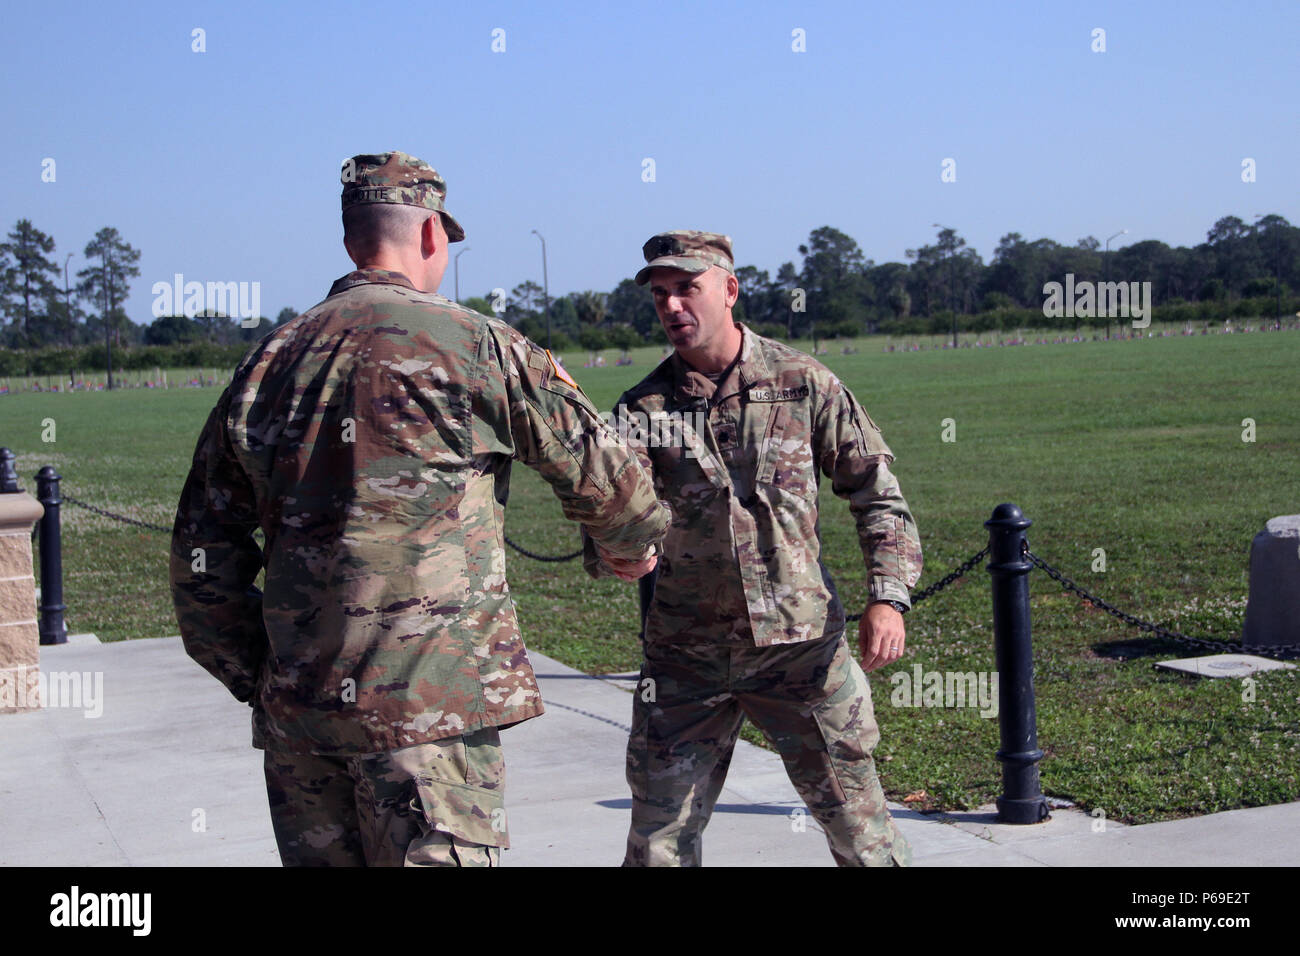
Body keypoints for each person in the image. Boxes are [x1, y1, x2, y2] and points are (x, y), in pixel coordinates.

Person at [170, 151, 666, 867]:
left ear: (350, 240)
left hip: (302, 731)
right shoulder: (473, 344)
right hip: (428, 726)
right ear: (432, 234)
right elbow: (615, 489)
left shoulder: (267, 362)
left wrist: (267, 678)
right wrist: (631, 546)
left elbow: (200, 564)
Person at [585, 230, 922, 866]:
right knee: (658, 842)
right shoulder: (642, 409)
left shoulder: (803, 384)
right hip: (687, 659)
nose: (673, 306)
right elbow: (610, 517)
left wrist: (889, 597)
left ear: (730, 290)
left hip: (802, 653)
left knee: (862, 833)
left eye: (688, 288)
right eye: (660, 295)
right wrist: (615, 549)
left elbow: (877, 493)